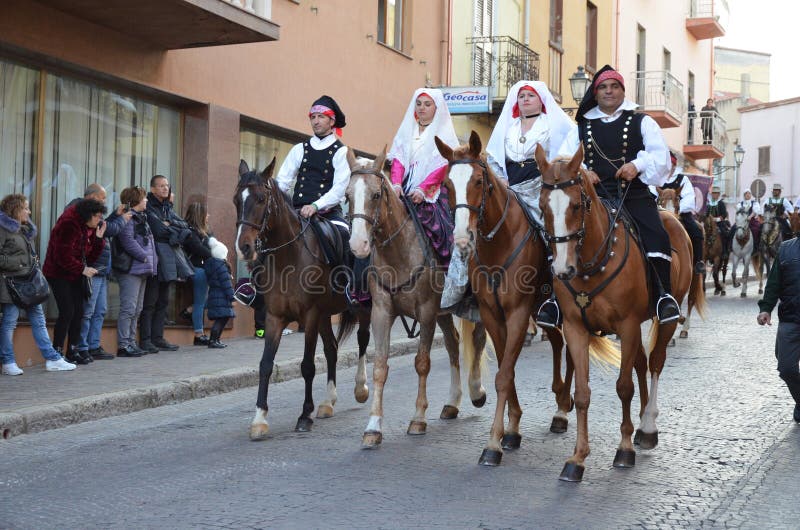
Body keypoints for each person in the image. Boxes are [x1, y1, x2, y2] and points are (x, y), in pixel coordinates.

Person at [553, 65, 679, 326]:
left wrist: (637, 165)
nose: (609, 91)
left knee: (656, 234)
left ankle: (663, 296)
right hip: (590, 198)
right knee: (555, 233)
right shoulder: (581, 127)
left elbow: (660, 156)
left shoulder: (642, 121)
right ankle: (553, 300)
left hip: (631, 195)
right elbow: (564, 159)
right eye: (603, 87)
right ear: (595, 93)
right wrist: (584, 171)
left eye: (614, 87)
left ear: (622, 91)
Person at [274, 95, 367, 302]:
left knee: (345, 237)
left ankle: (347, 286)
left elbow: (340, 188)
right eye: (312, 117)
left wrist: (316, 205)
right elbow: (283, 181)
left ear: (332, 121)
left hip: (327, 213)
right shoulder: (299, 149)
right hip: (296, 212)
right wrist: (281, 205)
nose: (315, 121)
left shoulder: (342, 152)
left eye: (320, 117)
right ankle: (257, 287)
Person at [0, 194, 76, 375]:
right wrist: (19, 263)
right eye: (25, 208)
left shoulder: (25, 230)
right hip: (10, 284)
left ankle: (52, 358)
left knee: (39, 320)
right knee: (9, 322)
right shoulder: (3, 229)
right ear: (15, 209)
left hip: (29, 283)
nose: (29, 211)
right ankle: (8, 361)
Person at [388, 88, 458, 266]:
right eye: (418, 104)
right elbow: (398, 159)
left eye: (427, 104)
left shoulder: (444, 133)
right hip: (403, 189)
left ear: (437, 108)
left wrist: (422, 189)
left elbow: (442, 166)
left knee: (443, 231)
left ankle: (448, 273)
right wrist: (396, 184)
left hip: (430, 190)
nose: (422, 108)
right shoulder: (407, 130)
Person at [67, 184, 131, 360]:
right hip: (92, 268)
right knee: (87, 311)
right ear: (92, 197)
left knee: (100, 310)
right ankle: (82, 347)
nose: (104, 201)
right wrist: (123, 219)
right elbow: (109, 229)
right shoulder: (80, 210)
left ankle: (94, 345)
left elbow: (102, 225)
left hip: (102, 268)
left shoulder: (93, 213)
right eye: (102, 197)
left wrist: (115, 216)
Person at [42, 198, 107, 364]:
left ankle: (72, 350)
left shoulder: (86, 227)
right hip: (58, 273)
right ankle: (56, 352)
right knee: (67, 310)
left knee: (79, 311)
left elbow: (88, 257)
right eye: (98, 216)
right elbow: (61, 256)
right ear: (88, 215)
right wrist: (83, 269)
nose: (100, 220)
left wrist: (98, 240)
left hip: (75, 274)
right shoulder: (68, 224)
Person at [140, 174, 194, 353]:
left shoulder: (167, 207)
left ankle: (158, 338)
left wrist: (170, 224)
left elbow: (185, 226)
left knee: (163, 301)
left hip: (169, 258)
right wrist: (172, 230)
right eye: (161, 186)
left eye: (167, 185)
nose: (165, 188)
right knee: (150, 301)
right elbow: (157, 231)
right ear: (153, 188)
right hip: (154, 258)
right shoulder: (148, 207)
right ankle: (145, 340)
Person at [757, 235, 800, 422]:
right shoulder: (785, 248)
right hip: (790, 319)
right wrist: (766, 308)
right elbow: (774, 282)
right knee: (786, 367)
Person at [115, 186, 158, 357]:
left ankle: (131, 342)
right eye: (144, 198)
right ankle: (123, 345)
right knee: (128, 308)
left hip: (142, 269)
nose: (146, 200)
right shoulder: (128, 218)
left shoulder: (142, 219)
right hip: (131, 269)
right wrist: (145, 257)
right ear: (136, 200)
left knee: (137, 308)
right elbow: (128, 241)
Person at [652, 152, 706, 274]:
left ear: (674, 166)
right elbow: (652, 195)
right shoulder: (656, 179)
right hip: (660, 212)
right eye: (667, 164)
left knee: (696, 231)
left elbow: (688, 197)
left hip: (680, 213)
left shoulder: (682, 179)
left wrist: (677, 210)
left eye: (671, 165)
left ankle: (698, 262)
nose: (668, 167)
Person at [179, 201, 213, 346]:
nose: (208, 216)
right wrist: (215, 254)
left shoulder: (206, 232)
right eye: (205, 214)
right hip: (197, 269)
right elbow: (201, 250)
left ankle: (189, 310)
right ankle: (199, 334)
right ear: (199, 216)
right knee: (200, 301)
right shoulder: (190, 232)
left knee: (212, 299)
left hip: (206, 269)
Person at [204, 237, 235, 348]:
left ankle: (216, 340)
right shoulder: (221, 266)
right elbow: (226, 283)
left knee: (223, 318)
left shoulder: (213, 265)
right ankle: (213, 341)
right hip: (221, 296)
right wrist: (232, 297)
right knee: (221, 319)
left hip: (216, 295)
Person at [706, 186, 731, 256]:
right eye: (713, 193)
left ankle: (725, 251)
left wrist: (717, 219)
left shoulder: (721, 203)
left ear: (719, 194)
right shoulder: (709, 204)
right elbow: (707, 214)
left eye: (716, 193)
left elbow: (724, 214)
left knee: (724, 233)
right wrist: (708, 219)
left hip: (719, 223)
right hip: (709, 223)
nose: (714, 195)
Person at [736, 189, 762, 255]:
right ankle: (731, 247)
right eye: (746, 193)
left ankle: (756, 247)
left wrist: (750, 216)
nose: (748, 195)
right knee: (733, 229)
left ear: (751, 195)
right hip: (742, 222)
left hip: (752, 221)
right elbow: (738, 211)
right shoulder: (740, 204)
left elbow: (756, 210)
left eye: (749, 193)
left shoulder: (754, 203)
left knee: (757, 229)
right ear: (744, 195)